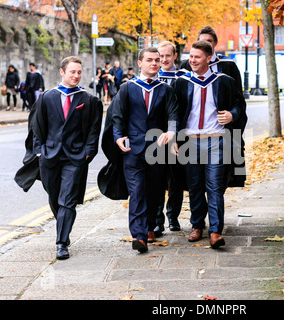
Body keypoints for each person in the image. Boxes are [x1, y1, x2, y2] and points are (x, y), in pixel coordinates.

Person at [14, 56, 103, 260]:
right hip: (49, 157)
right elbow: (36, 127)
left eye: (79, 72)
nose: (76, 76)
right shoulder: (47, 97)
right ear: (62, 72)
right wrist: (39, 150)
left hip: (75, 158)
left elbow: (93, 130)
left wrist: (88, 152)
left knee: (67, 200)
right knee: (54, 197)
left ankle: (61, 243)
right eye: (72, 72)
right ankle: (64, 227)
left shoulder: (88, 100)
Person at [102, 47, 179, 253]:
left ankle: (150, 226)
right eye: (149, 60)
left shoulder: (166, 89)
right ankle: (139, 236)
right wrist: (118, 137)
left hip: (158, 148)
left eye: (157, 60)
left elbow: (173, 115)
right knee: (137, 192)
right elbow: (117, 115)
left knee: (154, 191)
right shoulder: (128, 88)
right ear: (140, 63)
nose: (154, 63)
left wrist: (171, 132)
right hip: (133, 149)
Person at [172, 40, 246, 249]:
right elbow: (174, 112)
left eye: (197, 57)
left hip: (216, 141)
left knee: (214, 188)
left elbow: (239, 104)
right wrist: (175, 137)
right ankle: (197, 225)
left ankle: (215, 231)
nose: (192, 61)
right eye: (190, 57)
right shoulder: (182, 83)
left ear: (208, 58)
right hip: (191, 142)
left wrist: (232, 115)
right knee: (195, 187)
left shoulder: (224, 81)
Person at [181, 25, 247, 187]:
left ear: (215, 44)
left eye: (209, 41)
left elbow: (238, 99)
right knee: (194, 185)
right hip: (192, 136)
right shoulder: (187, 66)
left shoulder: (228, 66)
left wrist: (232, 114)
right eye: (202, 41)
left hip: (219, 134)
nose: (206, 44)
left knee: (218, 182)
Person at [154, 41, 188, 235]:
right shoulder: (152, 76)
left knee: (176, 179)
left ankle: (173, 216)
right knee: (157, 179)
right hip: (157, 136)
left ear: (175, 56)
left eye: (167, 56)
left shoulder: (184, 78)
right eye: (161, 56)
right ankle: (158, 219)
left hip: (180, 135)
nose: (164, 60)